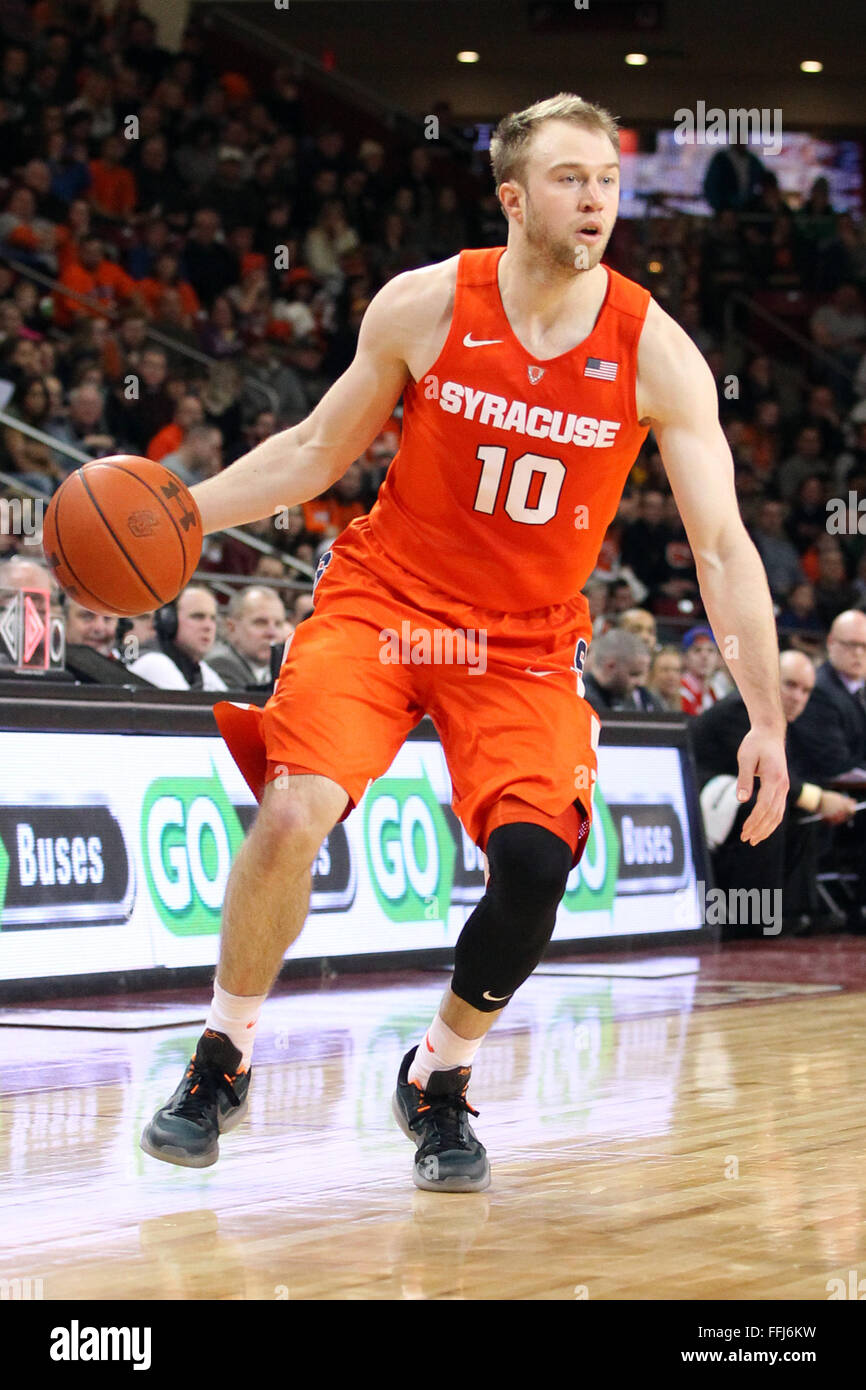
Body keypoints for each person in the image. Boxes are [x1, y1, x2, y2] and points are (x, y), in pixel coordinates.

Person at [141, 94, 788, 1192]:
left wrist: (767, 716)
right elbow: (312, 449)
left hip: (525, 644)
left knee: (537, 863)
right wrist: (182, 513)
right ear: (511, 196)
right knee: (295, 805)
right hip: (384, 604)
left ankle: (437, 1074)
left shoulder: (653, 350)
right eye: (570, 179)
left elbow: (721, 547)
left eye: (607, 182)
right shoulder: (427, 304)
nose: (595, 200)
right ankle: (221, 1054)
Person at [691, 650, 855, 935]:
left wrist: (815, 801)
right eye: (790, 685)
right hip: (701, 800)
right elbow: (764, 772)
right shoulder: (742, 709)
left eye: (805, 691)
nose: (797, 697)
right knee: (765, 808)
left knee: (795, 812)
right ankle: (749, 919)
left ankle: (795, 911)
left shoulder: (777, 721)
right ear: (769, 681)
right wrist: (820, 800)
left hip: (730, 796)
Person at [127, 585, 227, 691]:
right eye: (197, 616)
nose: (208, 626)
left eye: (213, 618)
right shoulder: (154, 662)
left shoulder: (201, 668)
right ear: (169, 620)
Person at [208, 586, 291, 689]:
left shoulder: (282, 668)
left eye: (278, 624)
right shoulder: (221, 664)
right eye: (261, 622)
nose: (272, 633)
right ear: (232, 628)